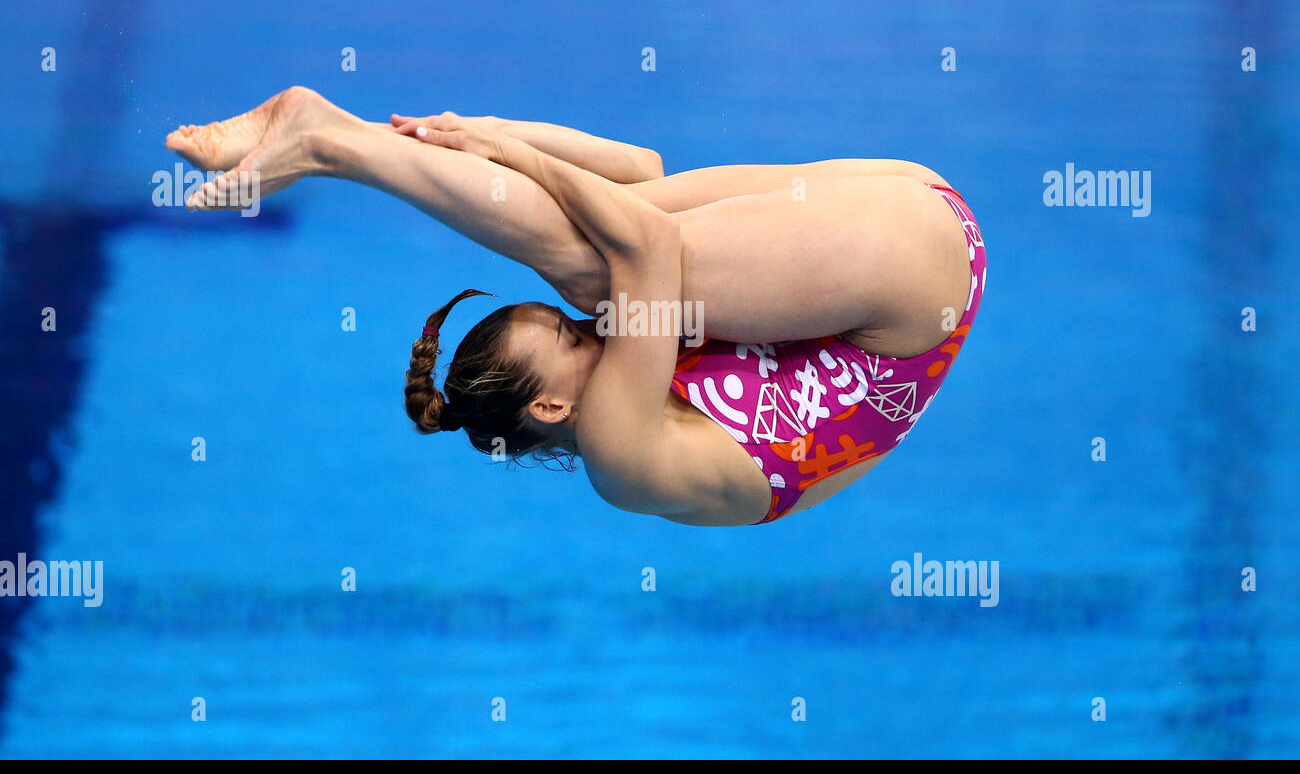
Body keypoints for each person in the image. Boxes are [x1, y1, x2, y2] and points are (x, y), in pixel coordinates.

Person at [166, 87, 986, 525]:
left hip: (914, 232)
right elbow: (647, 246)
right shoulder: (622, 457)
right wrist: (511, 151)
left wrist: (479, 128)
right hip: (917, 272)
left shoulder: (626, 372)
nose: (591, 328)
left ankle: (332, 135)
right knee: (614, 265)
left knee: (623, 230)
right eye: (566, 337)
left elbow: (636, 164)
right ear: (554, 403)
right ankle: (331, 142)